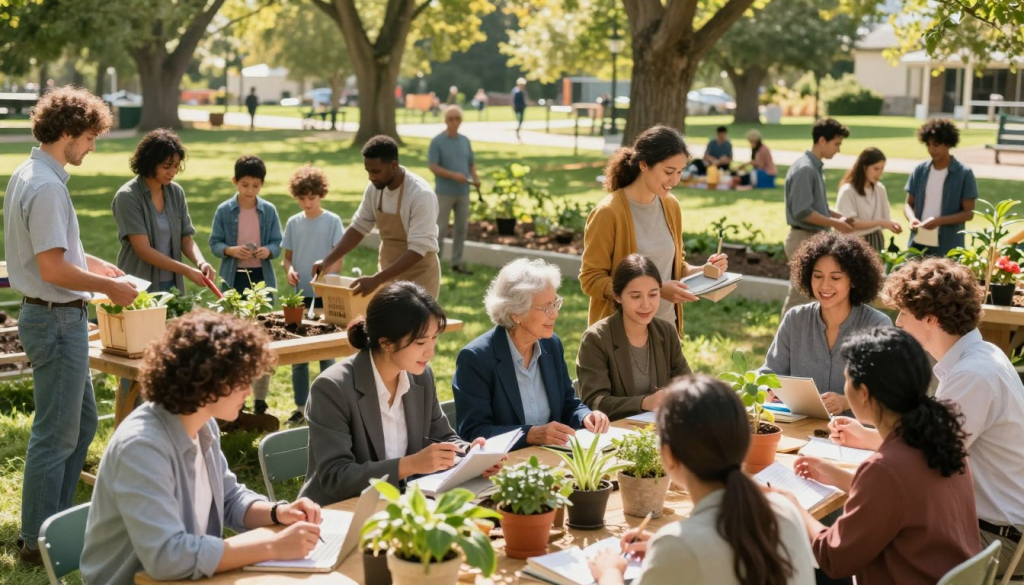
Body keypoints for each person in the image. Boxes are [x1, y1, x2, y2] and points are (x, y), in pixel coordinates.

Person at [80, 311, 324, 584]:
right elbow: (167, 558)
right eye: (241, 378)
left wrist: (277, 512)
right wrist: (273, 546)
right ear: (206, 379)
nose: (248, 389)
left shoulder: (203, 425)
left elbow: (228, 498)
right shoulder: (142, 447)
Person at [4, 86, 138, 566]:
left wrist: (98, 267)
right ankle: (35, 543)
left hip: (61, 317)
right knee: (55, 435)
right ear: (66, 133)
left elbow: (60, 254)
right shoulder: (43, 186)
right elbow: (53, 270)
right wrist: (111, 291)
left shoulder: (38, 174)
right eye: (89, 137)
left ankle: (55, 523)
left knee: (79, 425)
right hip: (56, 318)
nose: (92, 147)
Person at [831, 258, 1024, 579]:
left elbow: (921, 468)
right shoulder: (979, 358)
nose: (898, 324)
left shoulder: (973, 375)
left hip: (996, 539)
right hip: (988, 527)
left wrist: (839, 477)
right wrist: (866, 437)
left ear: (930, 319)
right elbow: (931, 444)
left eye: (904, 313)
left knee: (860, 544)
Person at [785, 327, 980, 584]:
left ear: (864, 393)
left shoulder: (886, 469)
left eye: (847, 379)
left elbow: (832, 558)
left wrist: (792, 508)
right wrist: (838, 477)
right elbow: (905, 499)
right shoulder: (942, 440)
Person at [588, 376, 816, 585]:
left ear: (668, 456)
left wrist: (609, 572)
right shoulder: (785, 512)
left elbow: (701, 550)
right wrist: (666, 554)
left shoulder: (678, 547)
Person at [299, 281, 502, 505]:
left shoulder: (421, 377)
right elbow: (336, 477)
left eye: (435, 338)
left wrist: (470, 454)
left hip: (401, 506)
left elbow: (443, 436)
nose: (431, 351)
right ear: (386, 343)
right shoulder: (332, 388)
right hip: (339, 513)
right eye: (421, 341)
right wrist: (411, 464)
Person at [580, 125, 728, 334]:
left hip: (666, 332)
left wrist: (704, 270)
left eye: (680, 172)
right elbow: (591, 280)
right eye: (669, 171)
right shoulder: (608, 212)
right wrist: (656, 291)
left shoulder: (671, 206)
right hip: (621, 337)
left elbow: (674, 266)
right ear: (643, 165)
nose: (675, 180)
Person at [453, 258, 611, 451]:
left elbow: (569, 403)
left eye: (555, 304)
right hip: (507, 465)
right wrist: (530, 434)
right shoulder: (476, 358)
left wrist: (586, 416)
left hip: (554, 459)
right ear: (516, 314)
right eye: (546, 307)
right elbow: (473, 432)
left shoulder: (551, 345)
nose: (554, 314)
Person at [762, 232, 890, 414]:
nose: (824, 286)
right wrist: (769, 389)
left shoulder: (877, 325)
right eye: (818, 276)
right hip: (800, 428)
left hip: (855, 434)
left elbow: (888, 390)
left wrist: (846, 402)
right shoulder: (795, 319)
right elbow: (768, 374)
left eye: (835, 278)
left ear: (853, 281)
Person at [314, 135, 441, 299]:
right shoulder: (375, 188)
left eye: (376, 171)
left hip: (419, 275)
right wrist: (327, 262)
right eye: (368, 171)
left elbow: (418, 249)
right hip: (387, 273)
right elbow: (359, 227)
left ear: (394, 165)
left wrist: (377, 280)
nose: (371, 177)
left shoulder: (420, 195)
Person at [209, 155, 283, 416]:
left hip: (260, 281)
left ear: (261, 185)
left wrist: (267, 251)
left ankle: (260, 400)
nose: (249, 190)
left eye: (255, 186)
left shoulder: (269, 210)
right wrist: (231, 250)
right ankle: (232, 399)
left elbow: (278, 243)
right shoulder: (224, 210)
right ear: (235, 182)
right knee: (232, 341)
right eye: (244, 185)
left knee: (261, 340)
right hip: (233, 279)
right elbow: (214, 244)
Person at [577, 254, 692, 420]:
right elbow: (594, 402)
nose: (646, 304)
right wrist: (644, 402)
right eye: (636, 296)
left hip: (661, 428)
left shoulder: (666, 332)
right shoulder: (596, 339)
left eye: (653, 294)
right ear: (617, 296)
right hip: (615, 434)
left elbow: (687, 384)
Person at [112, 128, 216, 293]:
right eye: (166, 166)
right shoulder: (127, 197)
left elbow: (186, 238)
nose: (173, 172)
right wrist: (186, 270)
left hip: (172, 286)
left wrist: (201, 262)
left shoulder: (176, 192)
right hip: (137, 286)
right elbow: (143, 250)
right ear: (150, 162)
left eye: (176, 166)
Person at [282, 165, 345, 427]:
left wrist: (323, 273)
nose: (307, 203)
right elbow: (287, 259)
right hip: (300, 299)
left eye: (312, 197)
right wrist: (290, 271)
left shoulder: (332, 221)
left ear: (321, 195)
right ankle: (300, 407)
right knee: (298, 358)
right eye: (302, 198)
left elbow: (338, 262)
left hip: (324, 299)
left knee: (325, 354)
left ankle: (327, 408)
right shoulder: (293, 223)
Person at [781, 117, 854, 317]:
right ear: (822, 141)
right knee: (799, 296)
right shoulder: (805, 169)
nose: (838, 150)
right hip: (802, 238)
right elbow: (802, 211)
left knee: (811, 296)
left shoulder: (813, 167)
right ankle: (784, 343)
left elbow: (815, 204)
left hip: (811, 237)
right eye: (836, 144)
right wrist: (834, 223)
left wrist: (838, 216)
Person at [904, 119, 978, 257]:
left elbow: (969, 213)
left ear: (948, 143)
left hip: (948, 245)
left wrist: (939, 221)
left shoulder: (964, 173)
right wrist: (911, 219)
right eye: (928, 145)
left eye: (936, 145)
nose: (931, 150)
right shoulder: (920, 170)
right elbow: (908, 204)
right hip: (919, 242)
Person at [430, 105, 480, 276]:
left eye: (457, 118)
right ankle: (434, 264)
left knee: (461, 228)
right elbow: (433, 166)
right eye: (451, 118)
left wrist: (475, 177)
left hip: (463, 192)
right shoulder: (437, 141)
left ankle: (456, 262)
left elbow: (471, 163)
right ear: (445, 120)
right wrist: (452, 175)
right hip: (444, 192)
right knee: (440, 228)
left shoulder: (465, 141)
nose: (454, 122)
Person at [835, 147, 902, 251]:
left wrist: (892, 224)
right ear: (864, 167)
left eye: (882, 169)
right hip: (855, 243)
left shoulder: (880, 189)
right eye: (876, 169)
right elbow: (851, 223)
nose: (880, 173)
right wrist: (880, 222)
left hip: (877, 240)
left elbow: (885, 218)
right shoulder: (848, 191)